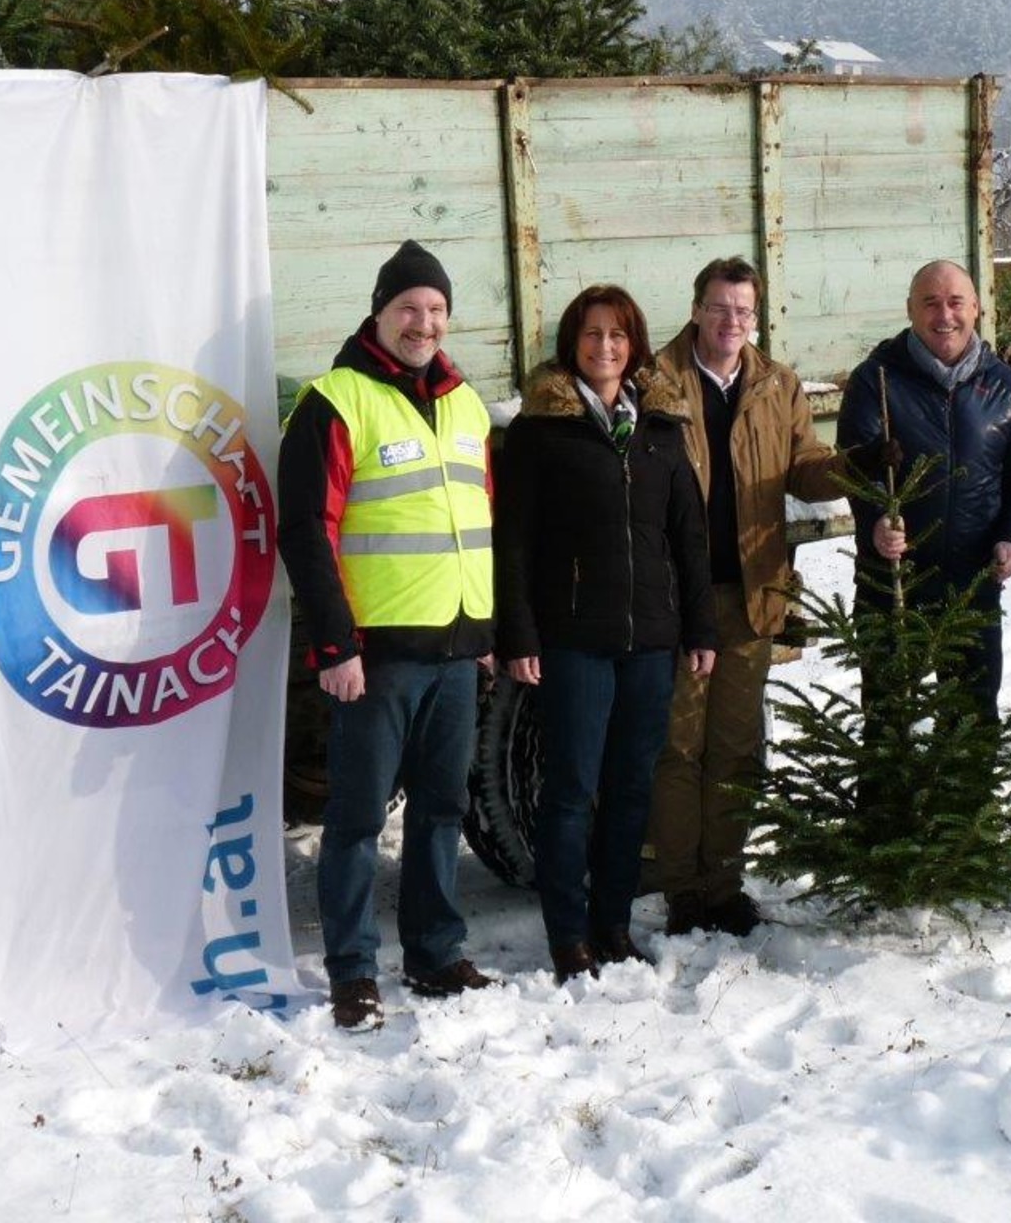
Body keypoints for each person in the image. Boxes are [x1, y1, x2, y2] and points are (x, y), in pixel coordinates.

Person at [277, 240, 497, 1031]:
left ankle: (436, 955)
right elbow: (306, 531)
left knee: (442, 810)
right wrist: (334, 647)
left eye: (436, 310)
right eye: (409, 307)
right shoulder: (336, 400)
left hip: (458, 650)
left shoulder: (468, 404)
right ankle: (354, 971)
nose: (424, 322)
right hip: (378, 657)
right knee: (358, 820)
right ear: (379, 312)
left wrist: (489, 630)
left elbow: (481, 521)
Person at [495, 285, 718, 983]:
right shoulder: (540, 430)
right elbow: (516, 543)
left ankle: (613, 924)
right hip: (573, 639)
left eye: (617, 335)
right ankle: (568, 934)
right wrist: (521, 635)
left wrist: (699, 626)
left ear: (635, 345)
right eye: (591, 335)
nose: (604, 348)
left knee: (630, 789)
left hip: (650, 639)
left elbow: (688, 534)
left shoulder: (660, 425)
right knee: (569, 790)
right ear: (572, 343)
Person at [649, 258, 847, 938]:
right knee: (679, 749)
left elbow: (804, 467)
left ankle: (722, 884)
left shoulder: (775, 386)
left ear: (755, 318)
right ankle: (681, 888)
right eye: (719, 307)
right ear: (696, 308)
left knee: (736, 748)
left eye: (743, 311)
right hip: (678, 599)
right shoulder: (657, 383)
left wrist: (857, 466)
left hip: (750, 594)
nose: (731, 322)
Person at [836, 259, 1011, 734]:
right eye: (930, 303)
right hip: (893, 586)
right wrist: (874, 523)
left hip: (971, 589)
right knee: (887, 730)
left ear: (975, 308)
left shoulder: (1007, 389)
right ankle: (886, 811)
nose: (943, 315)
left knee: (971, 727)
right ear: (910, 310)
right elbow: (856, 465)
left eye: (955, 302)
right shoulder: (877, 381)